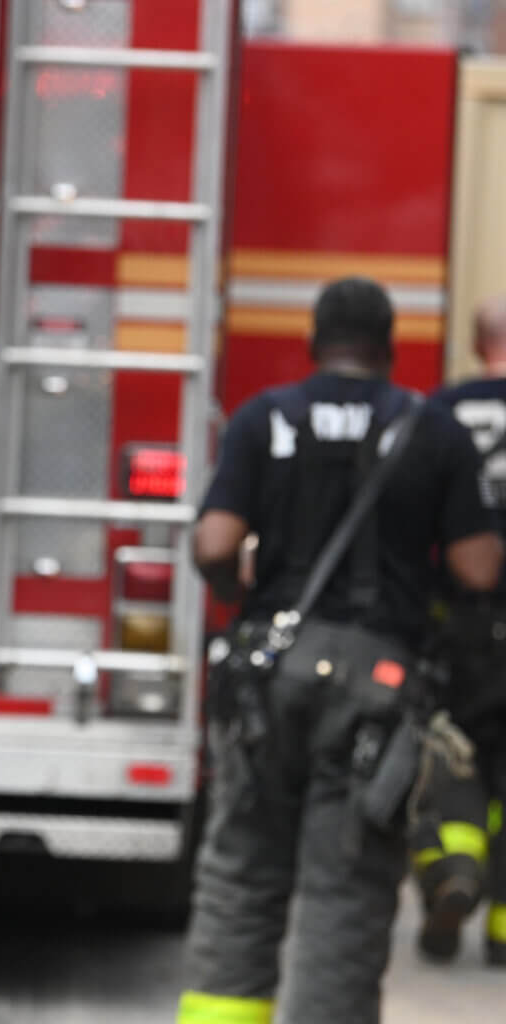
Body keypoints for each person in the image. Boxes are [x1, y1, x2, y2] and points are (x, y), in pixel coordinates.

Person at [177, 276, 503, 1024]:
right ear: (390, 351)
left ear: (313, 345)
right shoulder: (432, 429)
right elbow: (479, 567)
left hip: (265, 676)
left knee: (241, 878)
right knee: (345, 895)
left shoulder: (266, 417)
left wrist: (243, 592)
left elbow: (216, 542)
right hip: (377, 690)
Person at [406, 294, 506, 965]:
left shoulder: (439, 414)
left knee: (454, 753)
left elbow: (410, 518)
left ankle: (452, 871)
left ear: (477, 344)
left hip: (462, 619)